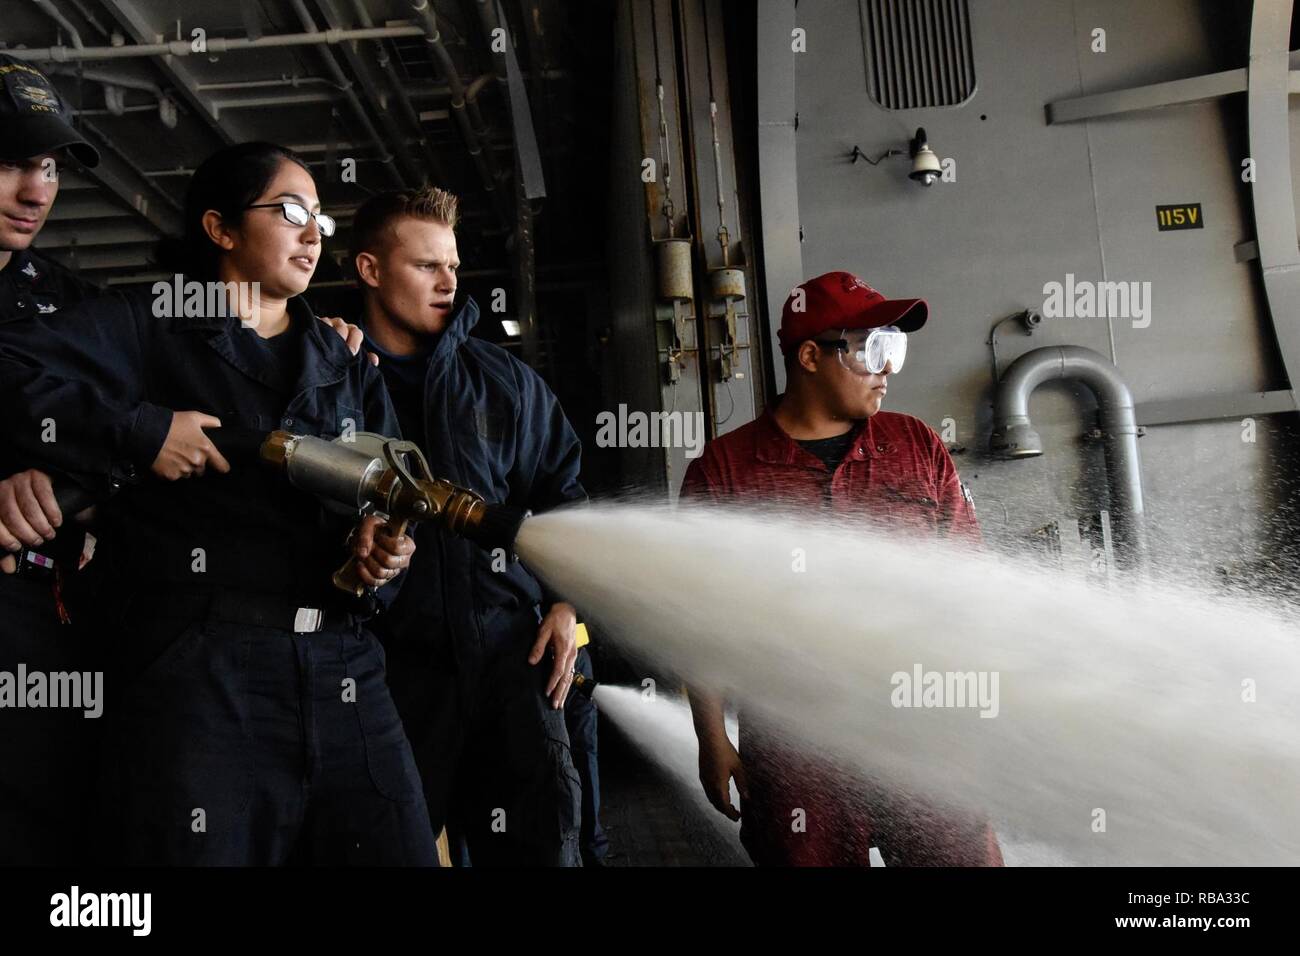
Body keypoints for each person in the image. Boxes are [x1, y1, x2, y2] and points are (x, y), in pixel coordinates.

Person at [0, 141, 437, 866]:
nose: (310, 234)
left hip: (344, 668)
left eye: (319, 220)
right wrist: (141, 430)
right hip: (201, 675)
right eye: (290, 210)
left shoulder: (341, 362)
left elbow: (384, 495)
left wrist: (380, 555)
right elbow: (11, 364)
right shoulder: (147, 324)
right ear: (220, 228)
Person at [681, 270, 1002, 866]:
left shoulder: (917, 446)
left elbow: (970, 583)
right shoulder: (722, 474)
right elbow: (698, 620)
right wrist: (711, 735)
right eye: (872, 349)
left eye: (895, 348)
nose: (888, 368)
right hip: (796, 751)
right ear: (810, 356)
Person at [351, 185, 586, 866]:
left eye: (452, 265)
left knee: (543, 845)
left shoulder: (503, 382)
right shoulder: (330, 377)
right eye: (426, 266)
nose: (448, 282)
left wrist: (567, 602)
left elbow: (563, 496)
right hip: (388, 671)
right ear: (370, 270)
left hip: (514, 661)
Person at [0, 52, 105, 866]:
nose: (37, 190)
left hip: (45, 623)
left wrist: (325, 343)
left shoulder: (74, 306)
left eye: (46, 166)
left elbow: (157, 436)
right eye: (9, 163)